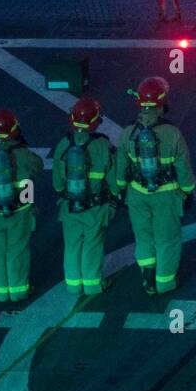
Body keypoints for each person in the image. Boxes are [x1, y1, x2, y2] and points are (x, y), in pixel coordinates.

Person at [113, 77, 196, 295]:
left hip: (136, 194)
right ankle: (165, 282)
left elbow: (120, 167)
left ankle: (147, 278)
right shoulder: (172, 133)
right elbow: (183, 168)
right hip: (166, 195)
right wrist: (187, 192)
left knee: (143, 236)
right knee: (167, 239)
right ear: (162, 102)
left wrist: (120, 189)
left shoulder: (127, 133)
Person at [0, 109, 43, 303]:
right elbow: (36, 168)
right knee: (17, 250)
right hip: (19, 212)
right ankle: (18, 290)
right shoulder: (23, 155)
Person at [51, 97, 116, 297]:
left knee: (71, 245)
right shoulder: (102, 145)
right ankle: (92, 285)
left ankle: (73, 285)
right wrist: (115, 199)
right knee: (92, 245)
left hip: (70, 206)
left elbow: (57, 184)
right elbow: (113, 179)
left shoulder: (63, 144)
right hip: (95, 207)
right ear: (96, 121)